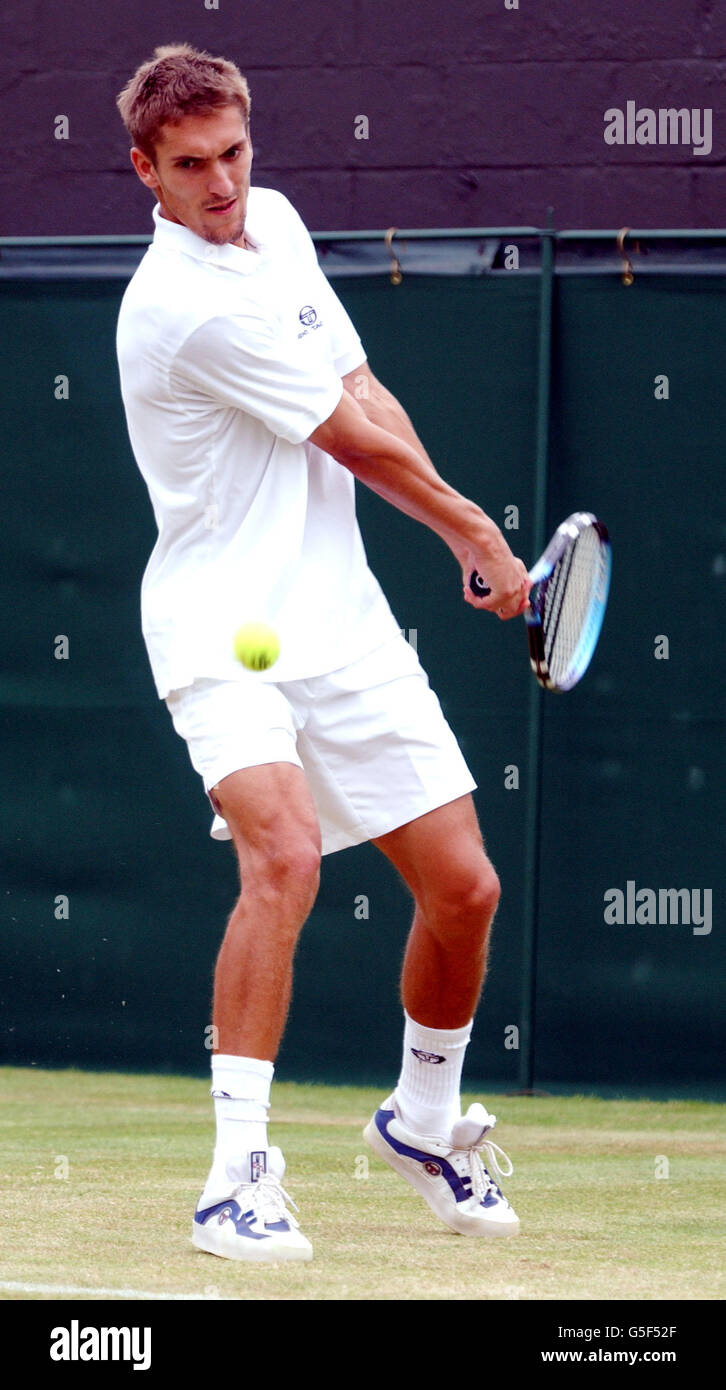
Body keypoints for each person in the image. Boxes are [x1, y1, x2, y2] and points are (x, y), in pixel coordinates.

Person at [116, 43, 530, 1263]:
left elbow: (360, 382)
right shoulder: (177, 302)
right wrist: (469, 525)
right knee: (285, 858)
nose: (222, 183)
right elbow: (345, 439)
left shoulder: (281, 225)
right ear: (145, 169)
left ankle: (424, 1118)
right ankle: (234, 1177)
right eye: (190, 166)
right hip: (218, 624)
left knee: (466, 887)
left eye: (235, 153)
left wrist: (456, 519)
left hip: (338, 617)